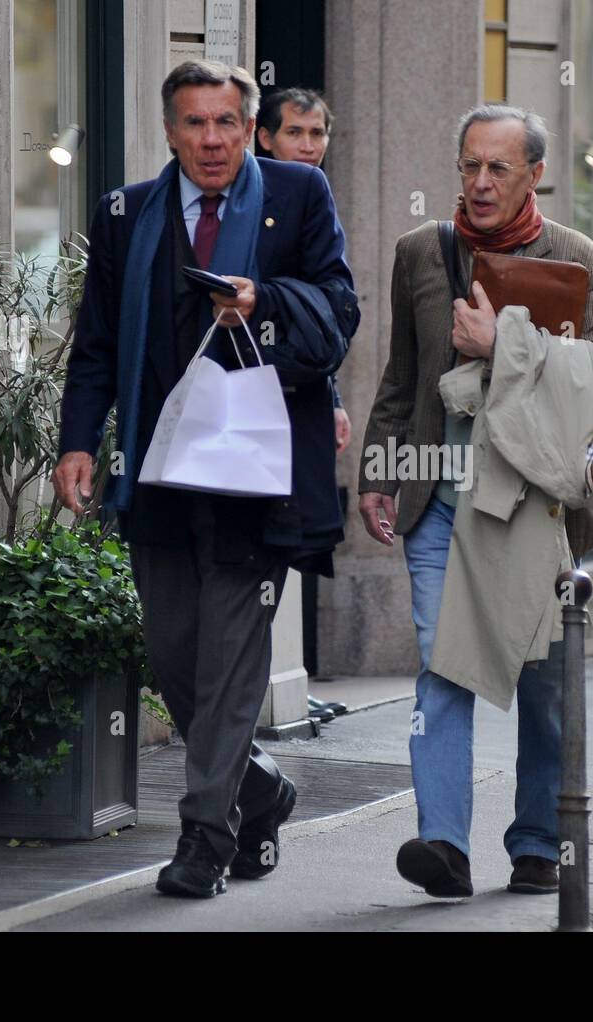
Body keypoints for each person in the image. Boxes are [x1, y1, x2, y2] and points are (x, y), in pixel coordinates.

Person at [54, 60, 359, 899]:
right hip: (158, 469)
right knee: (173, 657)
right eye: (195, 124)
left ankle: (205, 836)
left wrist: (267, 303)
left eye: (227, 122)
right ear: (170, 131)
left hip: (256, 474)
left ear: (247, 125)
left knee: (230, 663)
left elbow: (339, 313)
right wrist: (79, 443)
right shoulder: (125, 214)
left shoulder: (298, 197)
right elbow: (96, 346)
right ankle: (261, 790)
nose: (213, 140)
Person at [357, 104, 593, 898]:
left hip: (535, 503)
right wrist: (378, 470)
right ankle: (442, 843)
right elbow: (401, 377)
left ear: (534, 174)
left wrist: (500, 346)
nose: (477, 184)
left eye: (496, 169)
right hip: (439, 499)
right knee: (443, 669)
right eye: (468, 165)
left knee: (542, 677)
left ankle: (538, 840)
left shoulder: (579, 262)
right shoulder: (421, 254)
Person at [257, 85, 350, 724]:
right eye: (296, 133)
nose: (309, 147)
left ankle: (282, 683)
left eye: (318, 135)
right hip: (248, 407)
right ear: (264, 137)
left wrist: (334, 397)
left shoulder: (312, 198)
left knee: (285, 547)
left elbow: (327, 313)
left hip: (300, 408)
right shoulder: (251, 200)